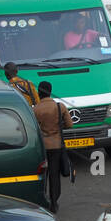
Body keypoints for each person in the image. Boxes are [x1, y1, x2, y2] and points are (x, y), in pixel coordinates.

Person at [33, 81, 74, 211]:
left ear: (39, 92)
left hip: (42, 147)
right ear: (50, 92)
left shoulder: (36, 109)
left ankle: (43, 199)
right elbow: (69, 124)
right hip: (57, 145)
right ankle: (54, 202)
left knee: (43, 174)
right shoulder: (59, 107)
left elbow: (33, 128)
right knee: (55, 175)